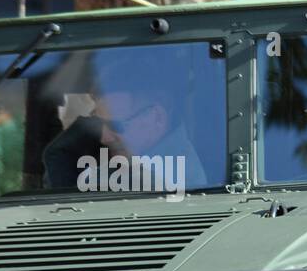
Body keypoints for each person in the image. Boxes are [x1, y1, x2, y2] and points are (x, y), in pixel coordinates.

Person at [43, 75, 206, 191]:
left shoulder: (164, 182)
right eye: (99, 123)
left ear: (156, 117)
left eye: (114, 125)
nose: (104, 138)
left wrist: (59, 157)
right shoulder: (129, 167)